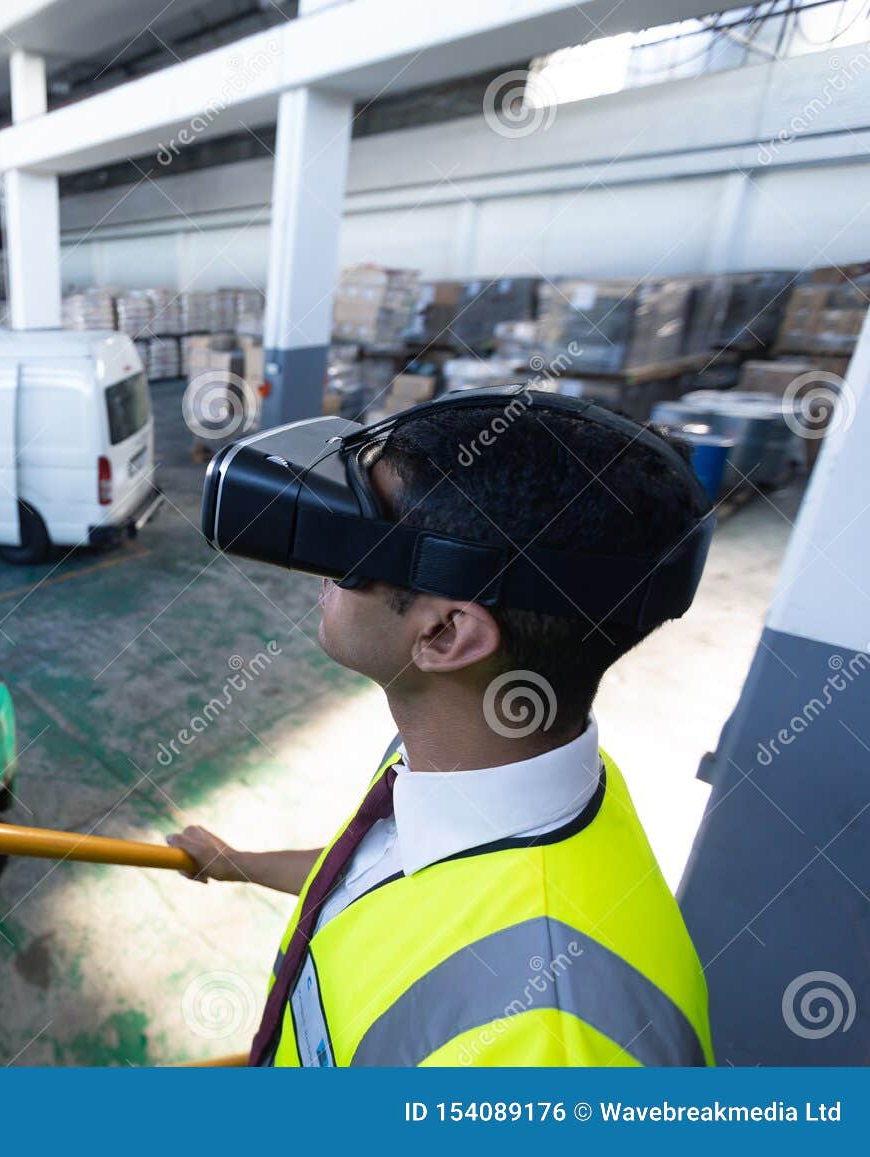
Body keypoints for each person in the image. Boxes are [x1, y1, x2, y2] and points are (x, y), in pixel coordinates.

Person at [168, 396, 714, 1067]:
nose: (323, 574)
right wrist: (238, 863)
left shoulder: (542, 1048)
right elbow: (381, 880)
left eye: (352, 552)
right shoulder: (480, 767)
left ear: (446, 633)